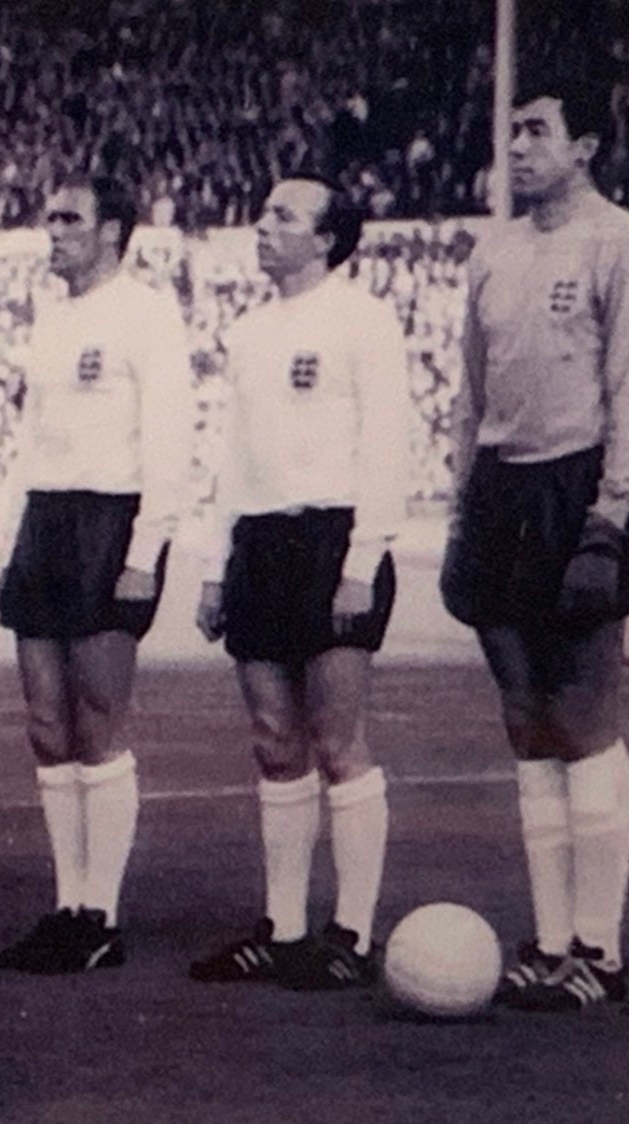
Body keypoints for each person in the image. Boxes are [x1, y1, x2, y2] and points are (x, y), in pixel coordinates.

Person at [439, 77, 629, 1013]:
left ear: (585, 149)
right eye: (513, 132)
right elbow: (469, 393)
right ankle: (548, 942)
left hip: (578, 487)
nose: (520, 147)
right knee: (526, 721)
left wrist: (613, 514)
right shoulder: (493, 255)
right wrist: (461, 511)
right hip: (499, 489)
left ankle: (600, 952)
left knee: (583, 714)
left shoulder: (622, 245)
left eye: (539, 130)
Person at [187, 175, 407, 989]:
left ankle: (350, 931)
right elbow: (234, 458)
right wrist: (216, 568)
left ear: (326, 238)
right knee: (274, 740)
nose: (264, 224)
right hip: (260, 541)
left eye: (284, 215)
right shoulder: (249, 332)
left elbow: (385, 443)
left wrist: (362, 563)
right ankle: (281, 929)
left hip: (333, 538)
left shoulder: (364, 319)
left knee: (338, 742)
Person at [0, 175, 193, 974]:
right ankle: (66, 903)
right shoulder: (49, 321)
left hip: (110, 522)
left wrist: (146, 551)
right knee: (47, 723)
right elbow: (33, 439)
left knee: (99, 717)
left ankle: (100, 914)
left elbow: (168, 437)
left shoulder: (147, 313)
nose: (54, 230)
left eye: (70, 218)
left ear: (113, 231)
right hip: (44, 522)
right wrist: (15, 534)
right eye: (50, 217)